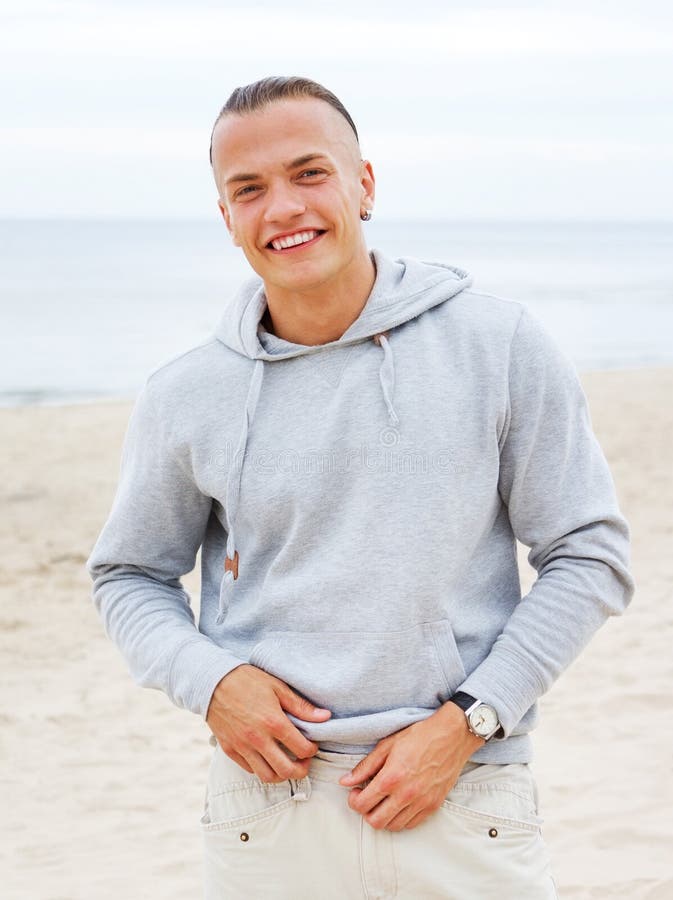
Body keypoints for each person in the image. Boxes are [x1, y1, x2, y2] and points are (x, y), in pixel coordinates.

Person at [86, 75, 634, 899]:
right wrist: (212, 685)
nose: (283, 208)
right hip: (268, 809)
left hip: (463, 791)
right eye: (249, 188)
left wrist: (469, 721)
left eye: (309, 173)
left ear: (363, 184)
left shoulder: (499, 345)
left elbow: (589, 552)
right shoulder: (186, 393)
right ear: (226, 217)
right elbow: (128, 573)